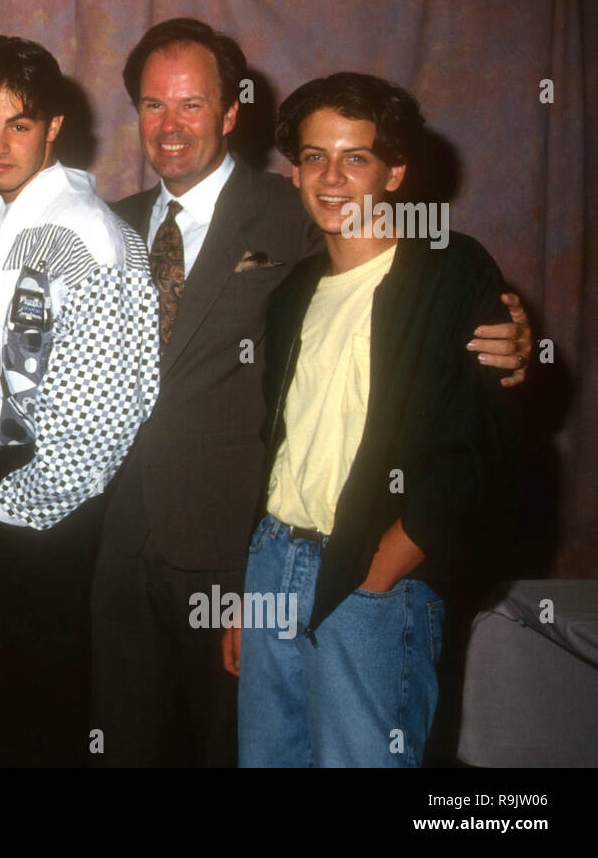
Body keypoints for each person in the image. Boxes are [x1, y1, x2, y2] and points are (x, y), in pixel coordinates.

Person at [90, 18, 533, 767]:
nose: (170, 126)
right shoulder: (112, 227)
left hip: (305, 552)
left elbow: (463, 417)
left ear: (232, 113)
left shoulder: (311, 221)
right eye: (153, 105)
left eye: (192, 104)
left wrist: (513, 338)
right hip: (180, 551)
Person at [222, 72, 520, 766]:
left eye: (356, 157)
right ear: (294, 170)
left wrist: (383, 568)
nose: (332, 177)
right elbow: (285, 445)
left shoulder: (450, 271)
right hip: (274, 560)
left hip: (373, 574)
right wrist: (253, 593)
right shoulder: (292, 291)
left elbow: (479, 447)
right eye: (314, 156)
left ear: (395, 172)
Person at [0, 36, 160, 766]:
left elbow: (109, 414)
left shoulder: (88, 234)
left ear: (54, 125)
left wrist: (16, 507)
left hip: (39, 497)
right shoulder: (7, 218)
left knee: (36, 704)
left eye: (19, 124)